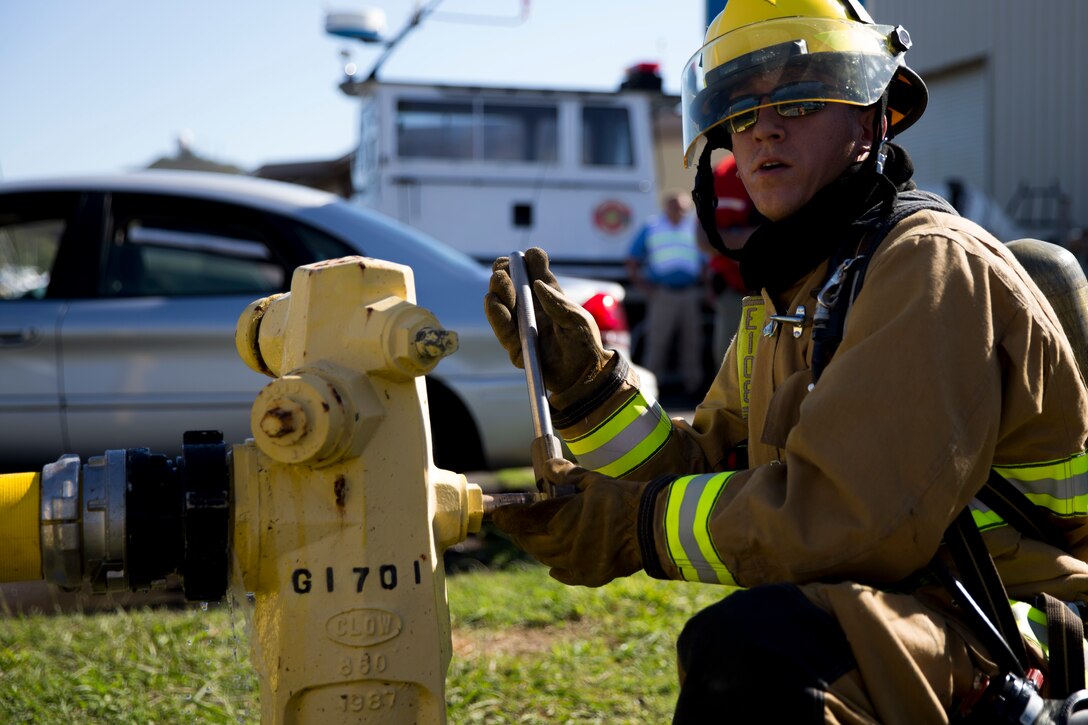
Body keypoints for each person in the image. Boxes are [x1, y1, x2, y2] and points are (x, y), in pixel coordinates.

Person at [483, 0, 1088, 723]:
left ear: (871, 119)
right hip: (918, 601)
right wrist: (587, 390)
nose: (764, 127)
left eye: (799, 98)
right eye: (741, 109)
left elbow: (847, 517)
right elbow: (712, 475)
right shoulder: (795, 293)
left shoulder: (926, 266)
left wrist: (635, 528)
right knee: (761, 639)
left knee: (757, 651)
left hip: (1015, 624)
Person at [627, 189, 706, 399]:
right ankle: (649, 389)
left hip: (690, 293)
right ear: (666, 207)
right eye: (674, 206)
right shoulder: (652, 227)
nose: (678, 211)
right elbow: (633, 257)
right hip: (663, 293)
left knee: (692, 341)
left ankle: (693, 388)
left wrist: (707, 288)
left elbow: (706, 260)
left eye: (682, 207)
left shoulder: (695, 227)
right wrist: (643, 286)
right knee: (657, 341)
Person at [697, 153, 761, 362]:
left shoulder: (799, 161)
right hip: (736, 293)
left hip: (792, 290)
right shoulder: (722, 174)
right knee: (731, 368)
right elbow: (703, 237)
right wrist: (752, 238)